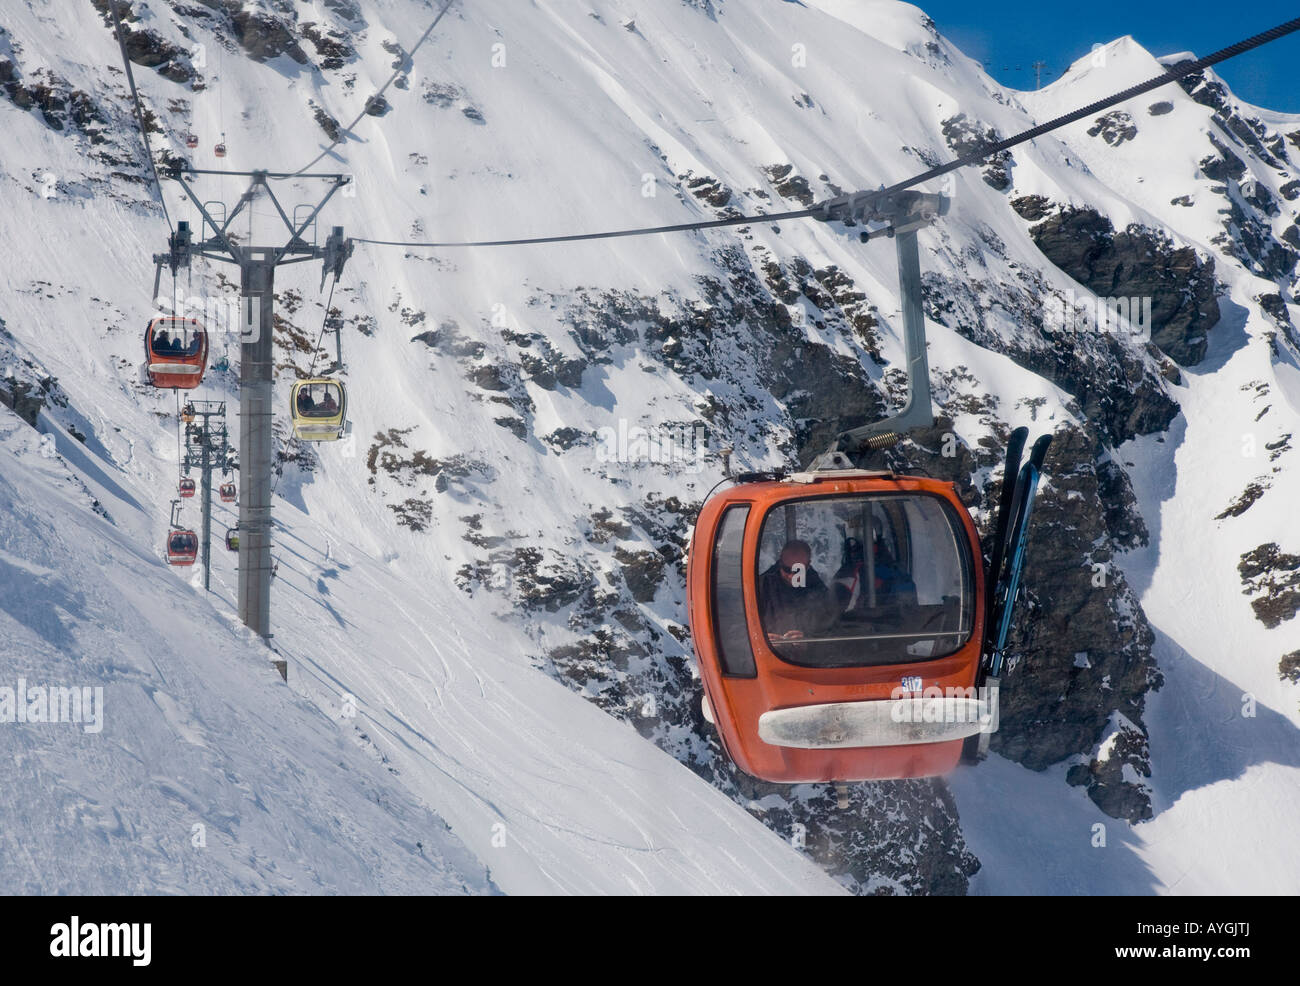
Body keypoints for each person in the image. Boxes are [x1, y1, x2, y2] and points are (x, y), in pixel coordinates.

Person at [758, 539, 836, 640]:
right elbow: (740, 626)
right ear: (780, 562)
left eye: (798, 570)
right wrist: (761, 638)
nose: (791, 576)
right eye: (786, 569)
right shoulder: (761, 586)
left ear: (808, 566)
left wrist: (808, 641)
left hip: (807, 655)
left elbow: (833, 632)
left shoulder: (819, 592)